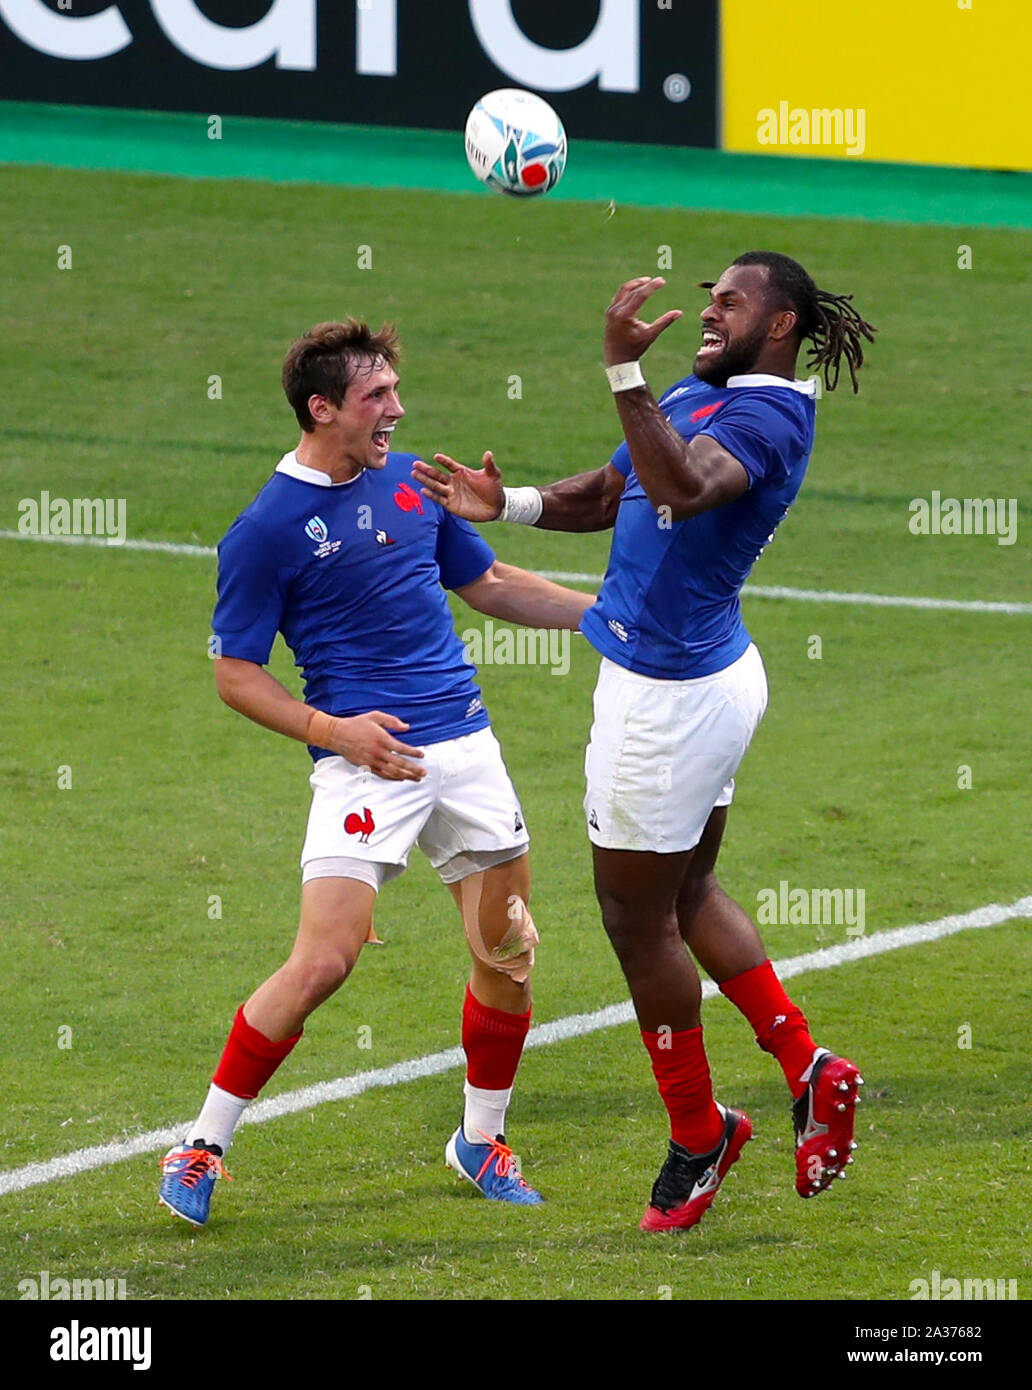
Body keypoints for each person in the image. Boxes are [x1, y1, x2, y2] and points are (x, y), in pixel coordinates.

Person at [414, 251, 877, 1231]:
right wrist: (517, 506)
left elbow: (679, 488)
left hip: (665, 705)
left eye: (731, 303)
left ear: (782, 324)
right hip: (698, 679)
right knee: (689, 891)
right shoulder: (700, 391)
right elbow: (618, 489)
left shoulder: (767, 414)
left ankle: (698, 1134)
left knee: (636, 922)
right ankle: (807, 1066)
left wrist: (622, 373)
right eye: (708, 298)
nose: (709, 312)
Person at [158, 319, 594, 1226]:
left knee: (506, 951)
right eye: (376, 397)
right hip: (366, 763)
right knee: (324, 961)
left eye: (396, 391)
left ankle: (480, 1140)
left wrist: (606, 617)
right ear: (323, 410)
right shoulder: (266, 529)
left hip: (465, 750)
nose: (396, 409)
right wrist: (335, 732)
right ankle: (201, 1144)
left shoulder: (409, 482)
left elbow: (488, 584)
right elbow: (235, 674)